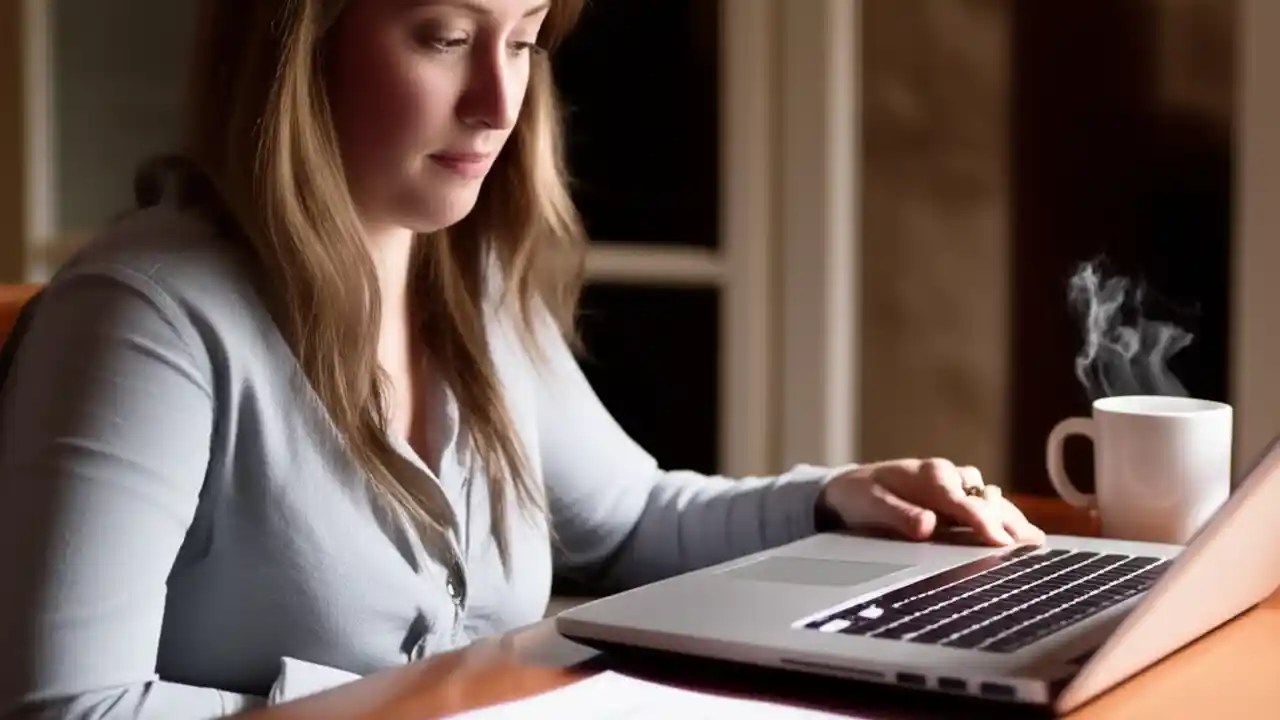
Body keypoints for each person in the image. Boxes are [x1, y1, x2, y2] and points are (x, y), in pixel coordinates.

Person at [0, 0, 1044, 717]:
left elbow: (630, 518)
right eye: (447, 37)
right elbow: (66, 705)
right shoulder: (145, 321)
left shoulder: (469, 283)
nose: (498, 104)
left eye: (527, 40)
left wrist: (836, 501)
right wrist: (446, 703)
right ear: (297, 40)